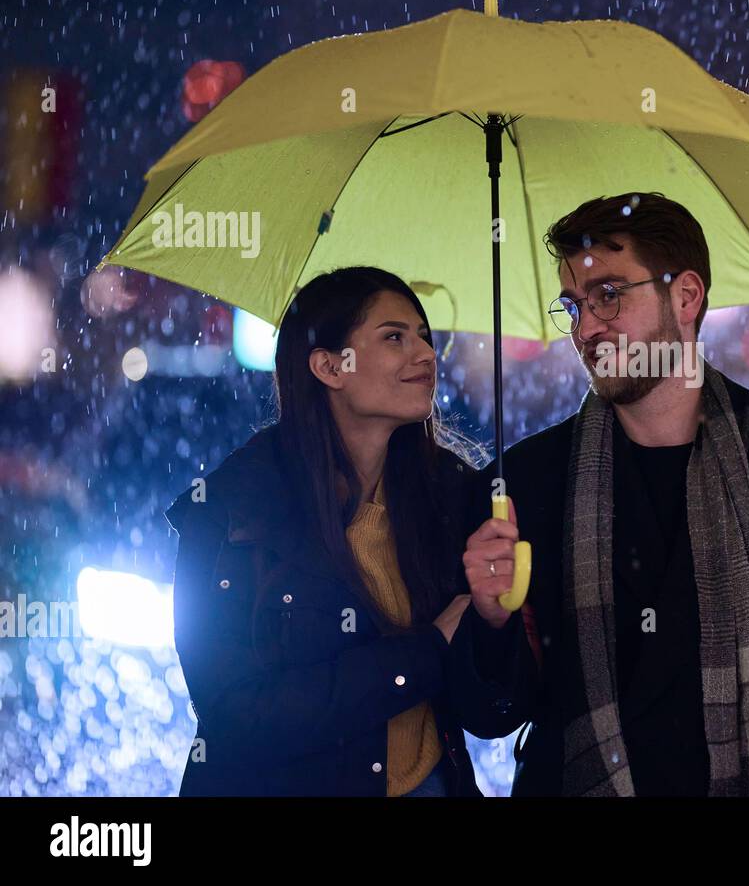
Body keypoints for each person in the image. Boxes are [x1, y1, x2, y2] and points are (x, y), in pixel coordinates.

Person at [458, 192, 749, 796]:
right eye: (574, 305)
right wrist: (490, 621)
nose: (586, 328)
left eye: (609, 295)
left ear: (686, 297)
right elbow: (493, 715)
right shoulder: (525, 485)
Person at [165, 266, 518, 796]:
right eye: (395, 337)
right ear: (330, 366)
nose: (426, 354)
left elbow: (491, 715)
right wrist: (427, 650)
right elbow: (238, 714)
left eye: (425, 337)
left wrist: (492, 624)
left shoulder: (453, 495)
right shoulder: (235, 511)